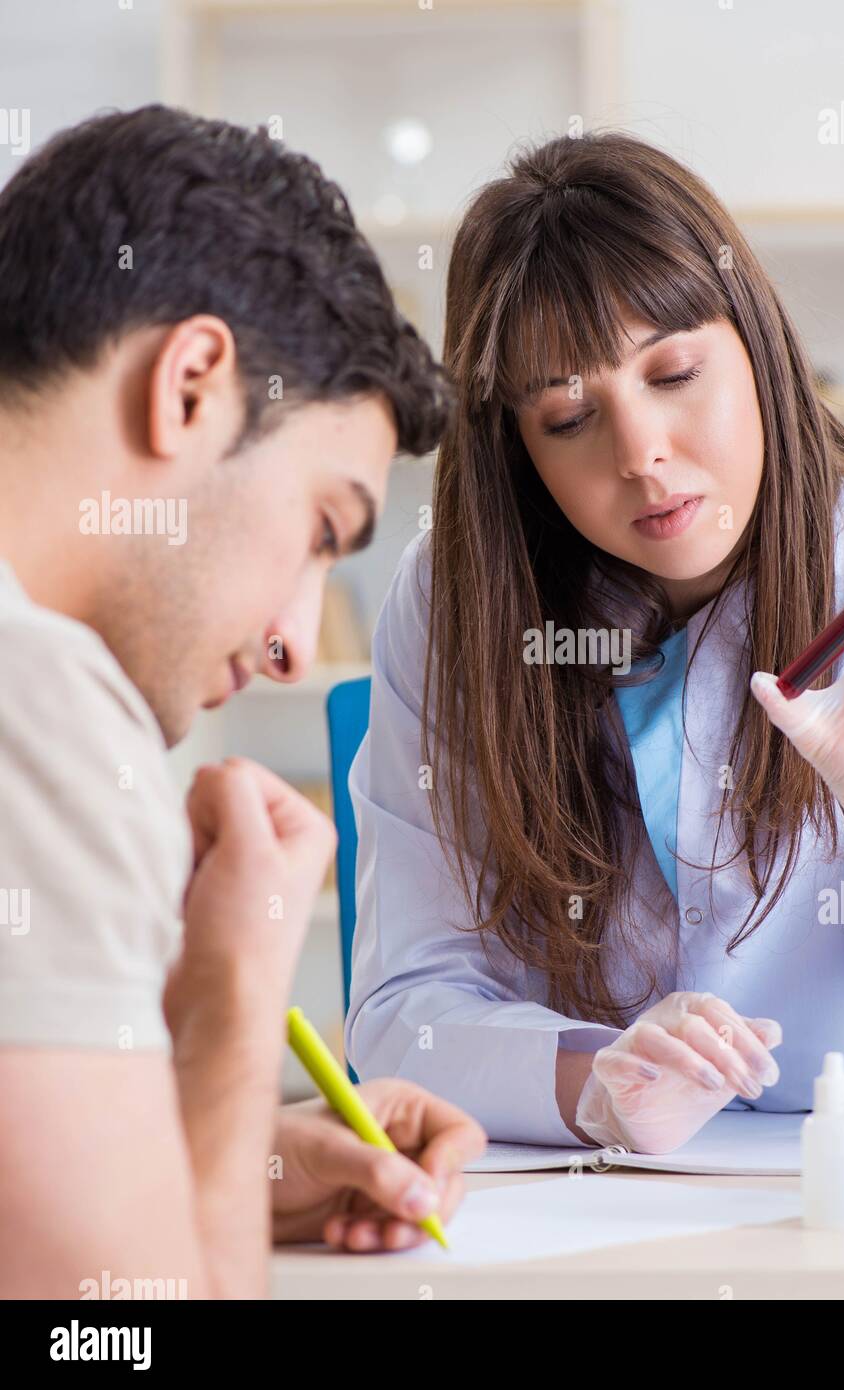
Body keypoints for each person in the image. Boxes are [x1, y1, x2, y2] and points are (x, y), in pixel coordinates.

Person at [346, 130, 844, 1152]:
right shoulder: (455, 604)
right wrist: (596, 1080)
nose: (642, 454)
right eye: (568, 416)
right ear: (516, 450)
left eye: (673, 373)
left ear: (758, 345)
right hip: (574, 1199)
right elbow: (402, 1012)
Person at [0, 105, 485, 1300]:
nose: (286, 643)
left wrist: (229, 1156)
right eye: (322, 530)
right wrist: (231, 1006)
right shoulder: (40, 698)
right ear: (194, 386)